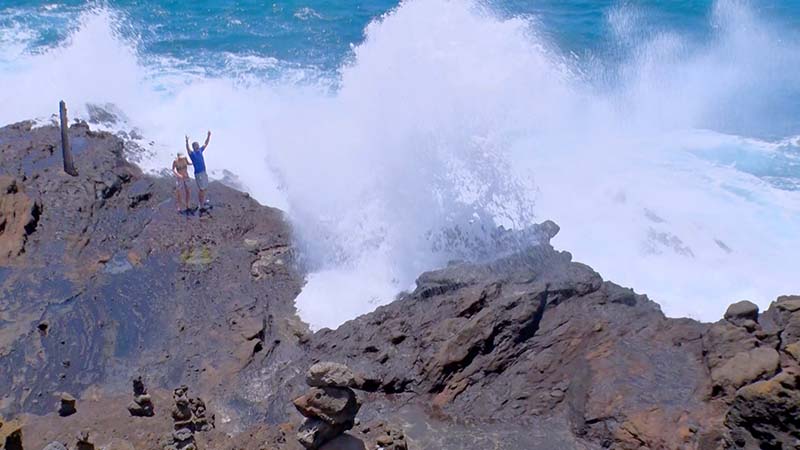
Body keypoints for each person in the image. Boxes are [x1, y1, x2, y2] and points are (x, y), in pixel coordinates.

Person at [186, 131, 212, 209]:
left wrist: (208, 135)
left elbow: (205, 143)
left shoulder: (200, 150)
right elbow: (188, 150)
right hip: (199, 174)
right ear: (194, 147)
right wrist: (187, 142)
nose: (197, 147)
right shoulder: (192, 154)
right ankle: (201, 205)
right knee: (202, 189)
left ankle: (202, 202)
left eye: (197, 145)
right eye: (196, 146)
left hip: (203, 172)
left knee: (205, 188)